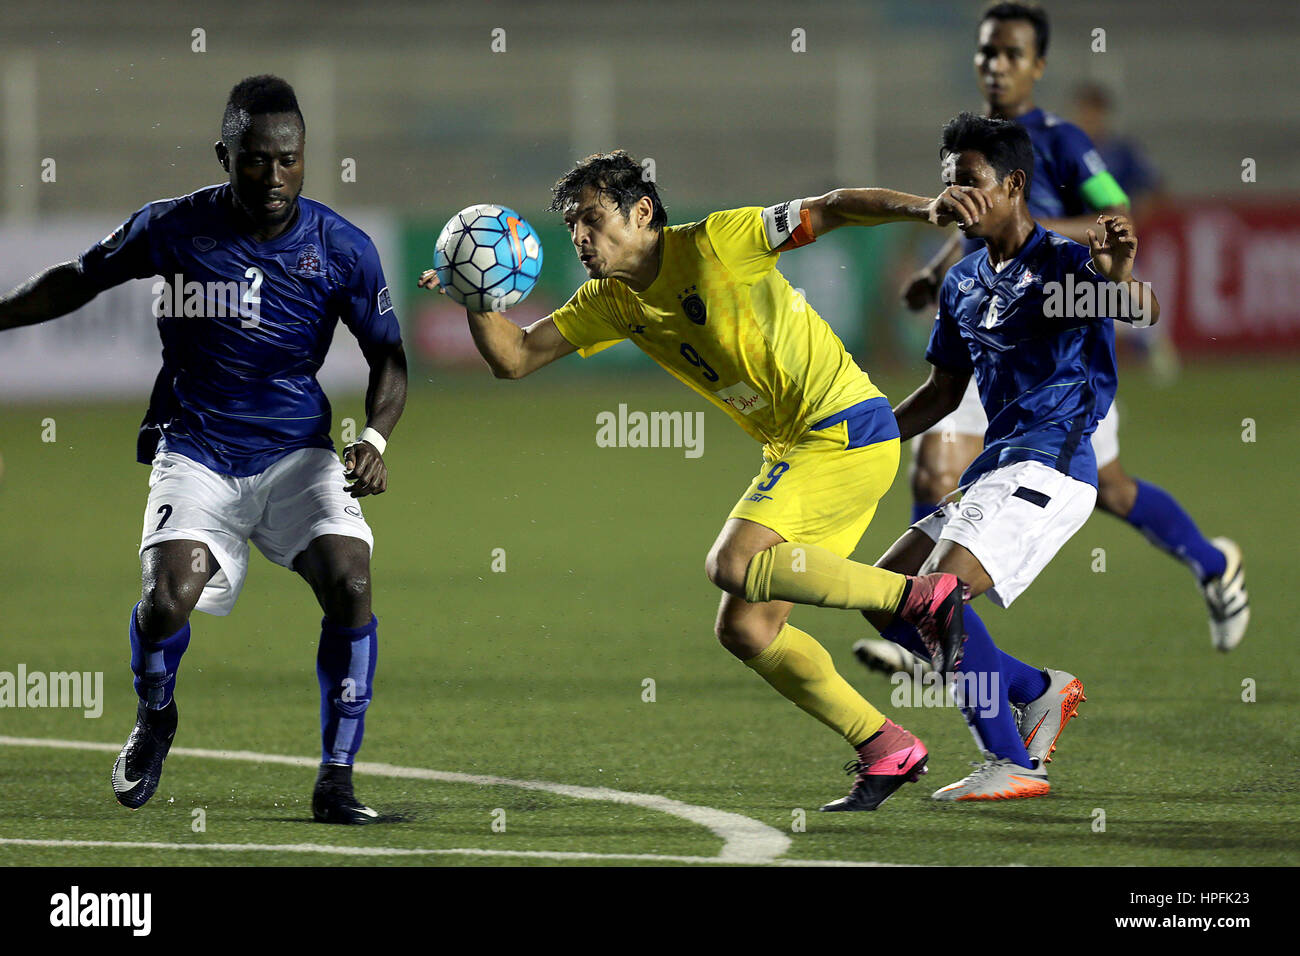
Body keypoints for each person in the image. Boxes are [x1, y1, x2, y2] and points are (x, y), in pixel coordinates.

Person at [419, 150, 990, 811]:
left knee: (734, 561)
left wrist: (923, 207)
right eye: (572, 223)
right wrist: (477, 297)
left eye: (591, 218)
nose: (579, 236)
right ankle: (885, 746)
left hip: (843, 427)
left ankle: (919, 597)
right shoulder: (610, 301)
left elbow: (831, 206)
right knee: (747, 629)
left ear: (641, 212)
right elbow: (514, 359)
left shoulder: (720, 241)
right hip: (799, 449)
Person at [0, 75, 408, 824]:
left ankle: (337, 779)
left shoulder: (342, 249)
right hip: (197, 447)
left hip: (298, 452)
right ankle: (156, 715)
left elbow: (389, 356)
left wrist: (375, 437)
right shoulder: (173, 228)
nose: (275, 176)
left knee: (351, 581)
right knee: (165, 600)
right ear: (225, 155)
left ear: (305, 157)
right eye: (256, 159)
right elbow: (76, 281)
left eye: (290, 160)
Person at [860, 2, 1246, 684]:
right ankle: (927, 622)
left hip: (1057, 345)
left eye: (1010, 53)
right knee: (933, 467)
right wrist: (935, 269)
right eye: (985, 52)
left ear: (1037, 65)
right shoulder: (975, 146)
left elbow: (1115, 212)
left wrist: (1040, 232)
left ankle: (1213, 565)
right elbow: (981, 224)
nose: (994, 64)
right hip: (990, 333)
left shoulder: (1064, 141)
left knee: (1114, 491)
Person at [866, 112, 1158, 799]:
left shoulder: (1060, 265)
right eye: (948, 183)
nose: (955, 196)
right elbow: (942, 391)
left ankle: (1010, 762)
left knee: (936, 596)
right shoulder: (963, 284)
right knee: (885, 600)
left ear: (1014, 185)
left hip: (1053, 466)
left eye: (969, 181)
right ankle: (1036, 689)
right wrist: (873, 433)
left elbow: (1134, 300)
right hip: (994, 470)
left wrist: (1116, 275)